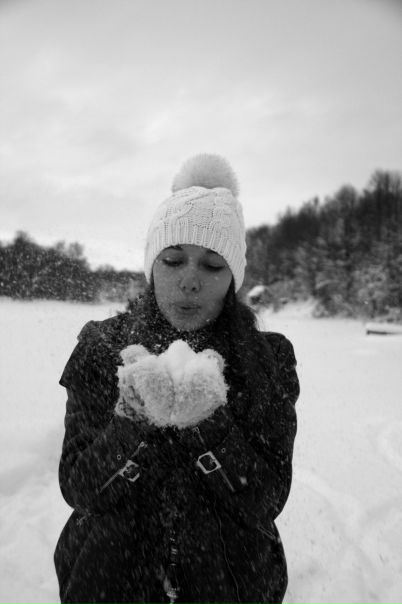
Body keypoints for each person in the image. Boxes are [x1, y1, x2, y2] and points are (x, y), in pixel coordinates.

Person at [54, 154, 300, 604]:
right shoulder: (101, 346)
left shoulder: (268, 359)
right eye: (172, 260)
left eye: (212, 266)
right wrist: (131, 421)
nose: (189, 281)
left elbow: (266, 501)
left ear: (233, 278)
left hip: (231, 586)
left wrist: (210, 425)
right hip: (105, 584)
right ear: (152, 266)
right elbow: (80, 489)